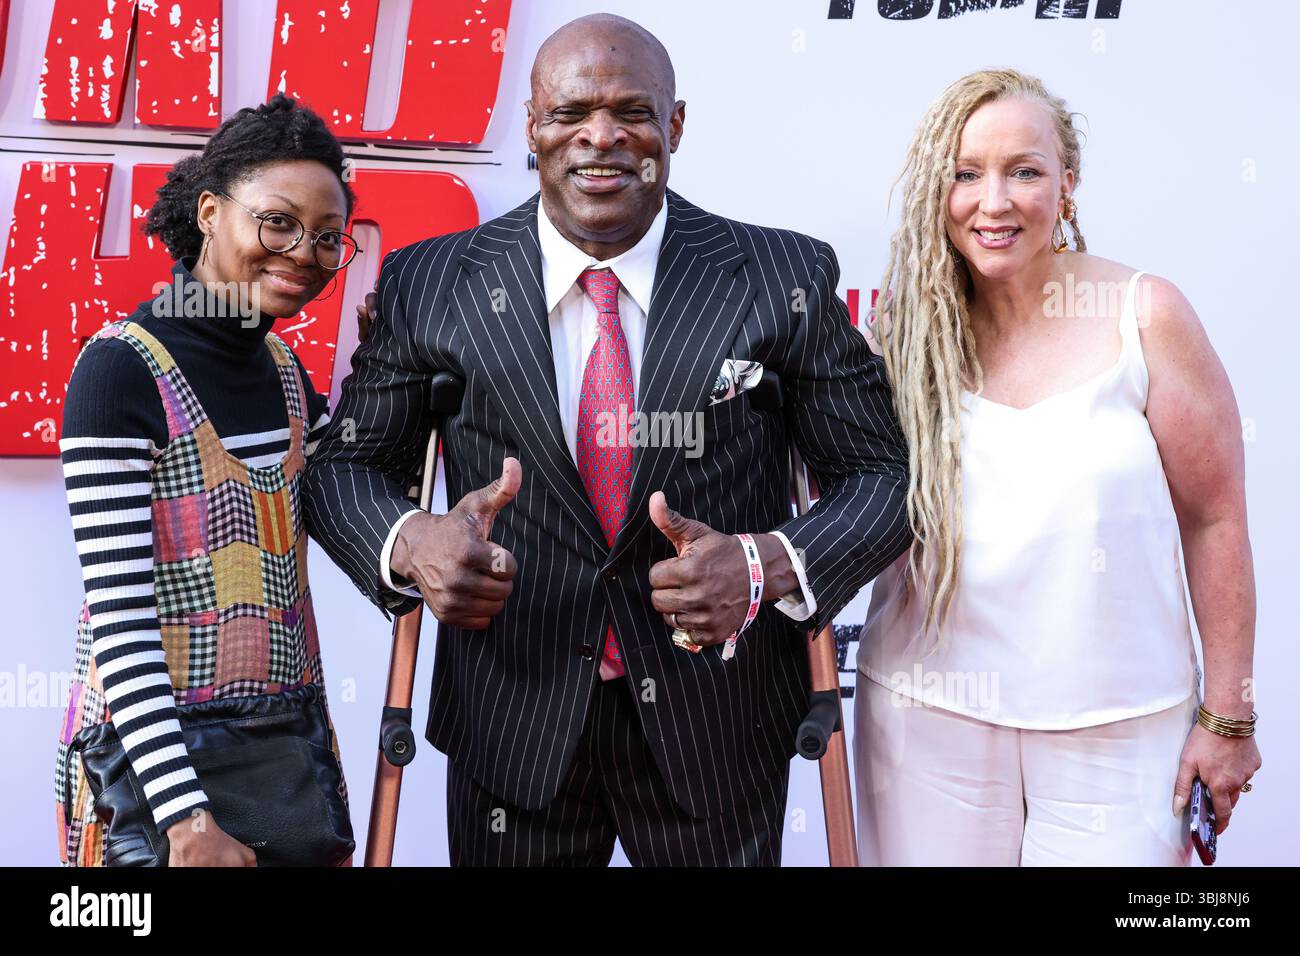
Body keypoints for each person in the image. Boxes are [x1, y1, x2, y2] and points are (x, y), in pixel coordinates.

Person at [305, 13, 910, 866]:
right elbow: (344, 469)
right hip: (513, 725)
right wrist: (414, 544)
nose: (601, 136)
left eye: (632, 110)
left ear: (676, 125)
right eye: (570, 112)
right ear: (531, 125)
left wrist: (760, 566)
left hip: (718, 725)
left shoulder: (783, 277)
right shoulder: (431, 282)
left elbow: (883, 476)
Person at [855, 69, 1261, 865]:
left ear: (1067, 184)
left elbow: (1215, 519)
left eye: (1025, 171)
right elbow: (852, 498)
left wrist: (1229, 717)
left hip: (1123, 729)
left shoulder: (1146, 315)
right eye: (965, 174)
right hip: (925, 713)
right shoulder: (900, 332)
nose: (994, 201)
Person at [55, 94, 358, 866]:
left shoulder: (289, 377)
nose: (303, 254)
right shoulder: (120, 371)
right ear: (212, 210)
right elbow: (121, 626)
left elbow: (348, 514)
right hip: (151, 772)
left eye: (328, 238)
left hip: (286, 753)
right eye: (279, 221)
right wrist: (187, 820)